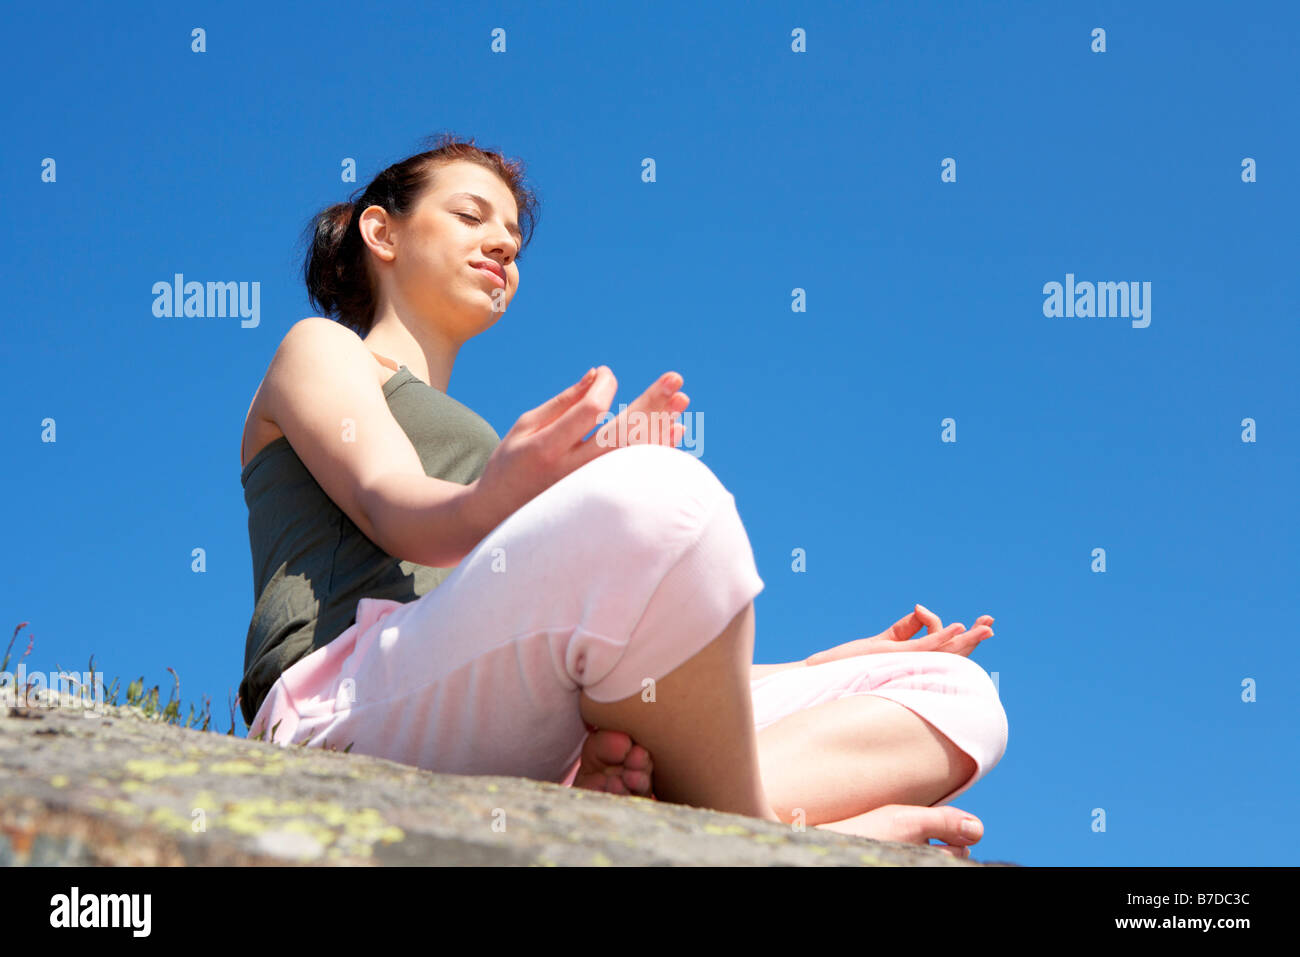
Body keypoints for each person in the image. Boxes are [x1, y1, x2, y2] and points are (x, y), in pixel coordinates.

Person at [238, 133, 1008, 858]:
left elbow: (603, 635)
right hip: (342, 706)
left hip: (497, 715)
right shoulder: (322, 349)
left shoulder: (493, 462)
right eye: (471, 215)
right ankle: (770, 837)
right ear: (383, 233)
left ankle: (696, 813)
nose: (504, 243)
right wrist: (521, 492)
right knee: (660, 498)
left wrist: (814, 663)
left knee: (957, 692)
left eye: (513, 233)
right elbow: (388, 501)